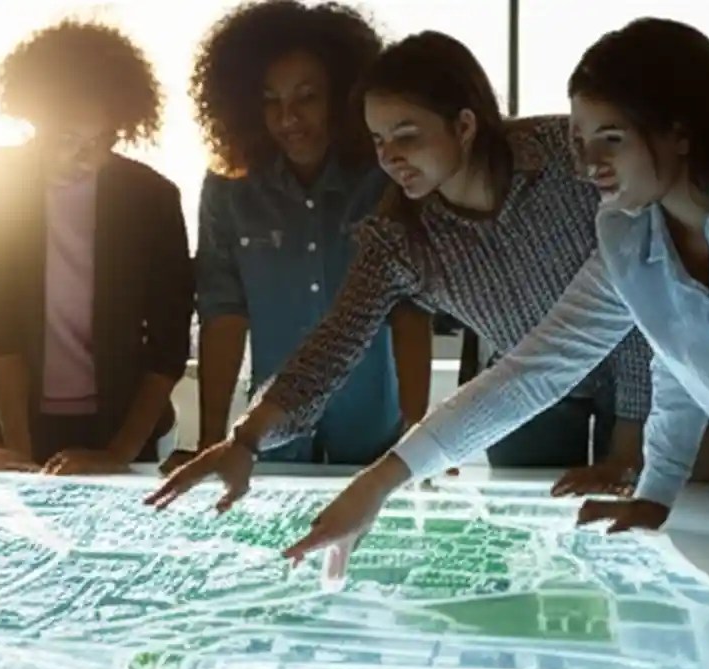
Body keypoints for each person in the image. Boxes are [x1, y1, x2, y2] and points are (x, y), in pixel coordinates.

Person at [280, 18, 709, 567]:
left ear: (680, 130)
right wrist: (378, 485)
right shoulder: (628, 237)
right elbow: (545, 369)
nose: (590, 165)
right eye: (579, 142)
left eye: (612, 138)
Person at [149, 31, 655, 515]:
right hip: (525, 389)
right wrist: (245, 440)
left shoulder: (567, 157)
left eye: (407, 136)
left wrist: (628, 445)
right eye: (378, 139)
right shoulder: (398, 237)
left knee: (655, 509)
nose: (390, 157)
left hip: (654, 370)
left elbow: (642, 289)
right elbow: (332, 346)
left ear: (464, 126)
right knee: (539, 524)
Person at [160, 1, 425, 475]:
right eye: (269, 100)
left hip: (373, 434)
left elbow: (411, 311)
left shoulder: (384, 182)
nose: (287, 118)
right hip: (268, 439)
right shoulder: (227, 189)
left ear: (343, 97)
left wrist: (419, 437)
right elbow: (223, 315)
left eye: (307, 97)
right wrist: (209, 440)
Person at [0, 21, 194, 474]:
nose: (86, 158)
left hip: (126, 426)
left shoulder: (152, 197)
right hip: (19, 418)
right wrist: (21, 453)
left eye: (100, 141)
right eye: (67, 139)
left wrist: (118, 455)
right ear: (37, 119)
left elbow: (169, 341)